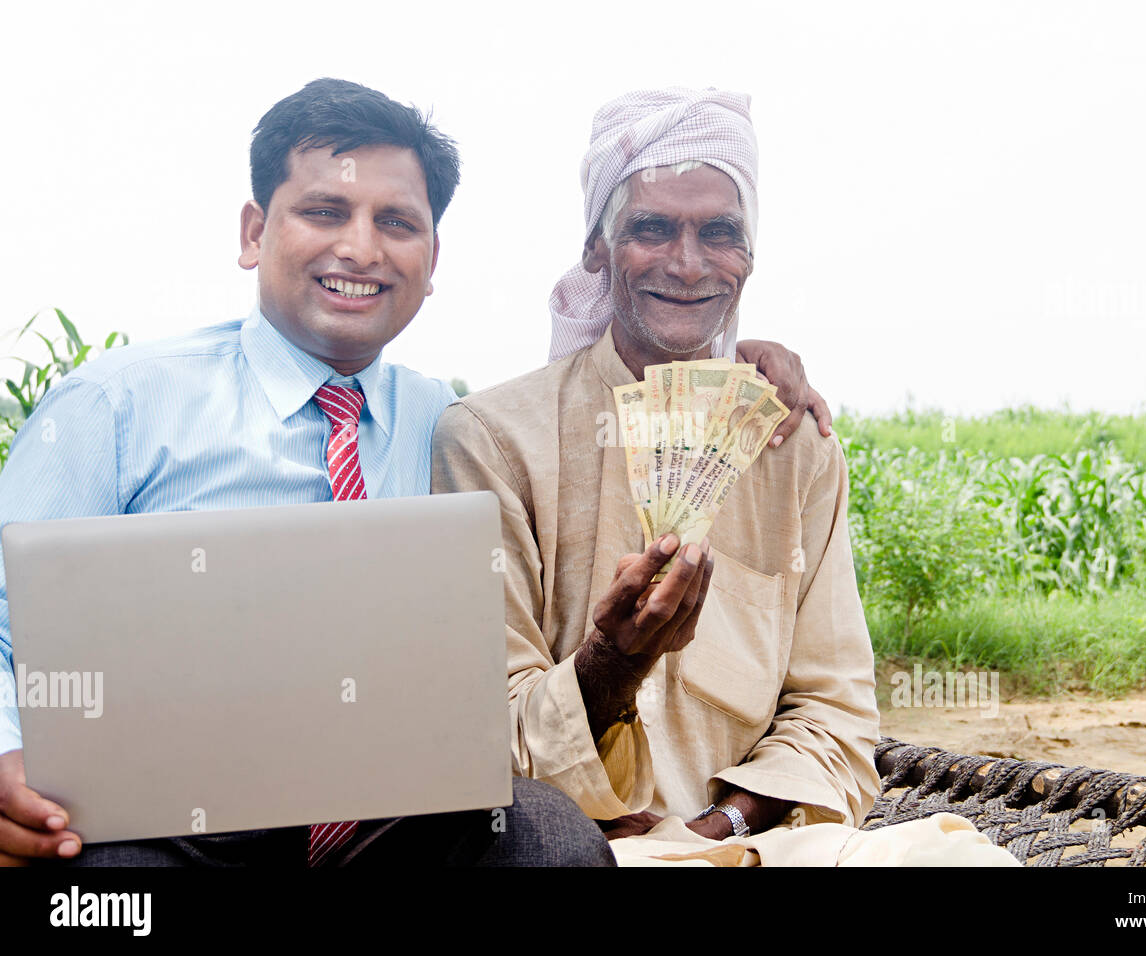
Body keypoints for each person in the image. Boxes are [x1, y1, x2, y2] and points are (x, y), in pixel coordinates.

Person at [0, 79, 828, 867]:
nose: (360, 247)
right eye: (325, 211)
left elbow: (583, 413)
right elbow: (8, 614)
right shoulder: (116, 407)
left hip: (380, 818)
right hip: (172, 818)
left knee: (548, 837)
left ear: (432, 260)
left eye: (397, 221)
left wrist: (744, 359)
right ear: (254, 232)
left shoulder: (446, 422)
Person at [428, 88, 888, 865]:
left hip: (761, 843)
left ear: (749, 255)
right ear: (597, 249)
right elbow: (488, 732)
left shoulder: (793, 444)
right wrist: (612, 666)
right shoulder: (493, 439)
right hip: (582, 847)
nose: (687, 262)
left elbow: (836, 712)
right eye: (651, 228)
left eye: (719, 233)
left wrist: (716, 831)